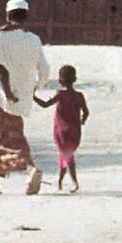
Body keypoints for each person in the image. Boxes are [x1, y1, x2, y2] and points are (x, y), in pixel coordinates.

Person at [0, 0, 51, 194]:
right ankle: (23, 171)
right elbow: (45, 71)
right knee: (15, 135)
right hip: (21, 99)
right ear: (26, 16)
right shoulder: (34, 40)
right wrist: (33, 87)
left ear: (8, 16)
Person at [35, 64, 89, 192]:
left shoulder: (60, 94)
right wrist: (82, 121)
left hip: (61, 132)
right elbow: (86, 112)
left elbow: (44, 104)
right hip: (75, 132)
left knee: (66, 156)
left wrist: (32, 97)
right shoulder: (79, 96)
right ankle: (60, 182)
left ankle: (75, 183)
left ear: (60, 80)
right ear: (75, 79)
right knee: (66, 155)